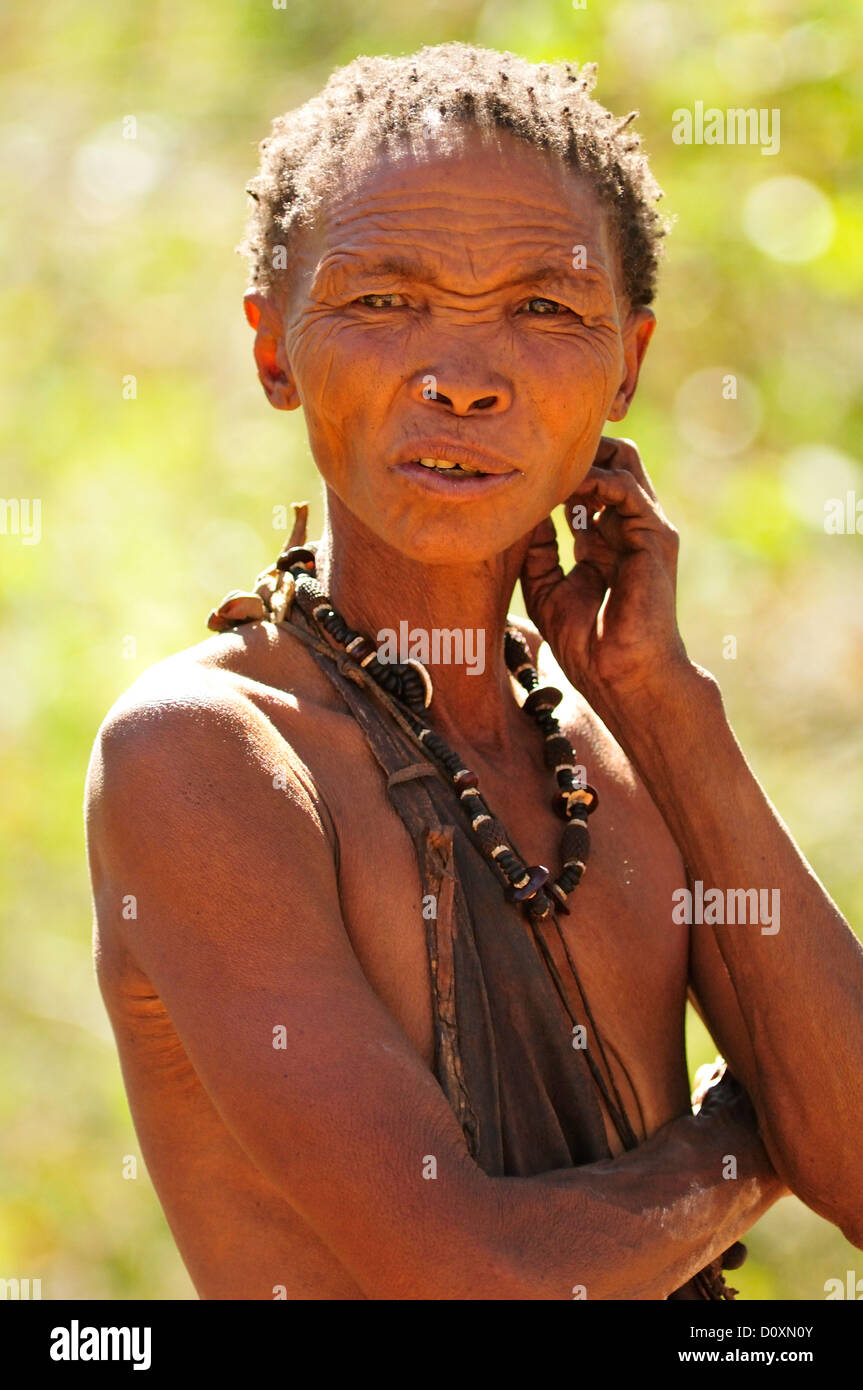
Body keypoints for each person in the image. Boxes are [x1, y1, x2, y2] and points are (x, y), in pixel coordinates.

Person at [85, 43, 863, 1300]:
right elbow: (473, 1281)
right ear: (273, 352)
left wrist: (669, 709)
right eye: (383, 302)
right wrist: (742, 1135)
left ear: (628, 362)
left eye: (543, 309)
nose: (461, 377)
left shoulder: (620, 737)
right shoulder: (208, 751)